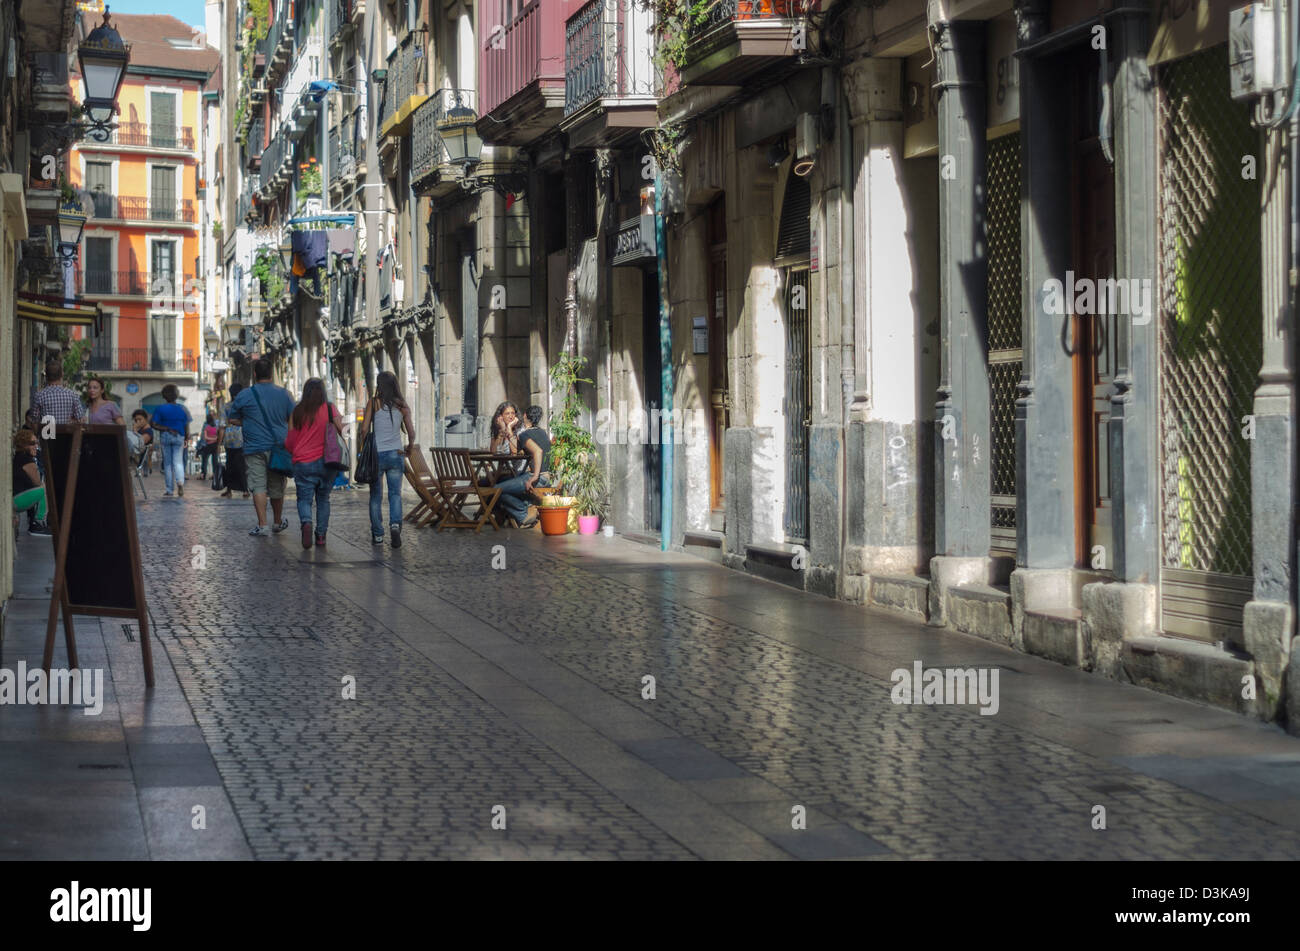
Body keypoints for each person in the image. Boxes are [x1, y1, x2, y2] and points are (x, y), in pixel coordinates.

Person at [226, 358, 295, 536]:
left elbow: (232, 418)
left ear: (255, 374)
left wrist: (248, 421)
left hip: (254, 447)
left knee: (258, 486)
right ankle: (278, 522)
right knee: (277, 486)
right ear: (271, 374)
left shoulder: (244, 395)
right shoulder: (285, 394)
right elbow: (292, 420)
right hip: (278, 447)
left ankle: (263, 524)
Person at [284, 378, 345, 549]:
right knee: (323, 499)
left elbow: (289, 442)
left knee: (304, 499)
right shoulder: (330, 409)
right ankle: (321, 536)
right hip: (328, 462)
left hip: (303, 462)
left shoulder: (297, 411)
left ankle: (306, 523)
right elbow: (343, 431)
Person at [359, 370, 415, 547]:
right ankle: (395, 525)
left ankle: (377, 535)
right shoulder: (402, 405)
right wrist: (409, 448)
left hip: (377, 455)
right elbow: (411, 433)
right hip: (396, 454)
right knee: (395, 494)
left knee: (375, 496)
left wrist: (363, 445)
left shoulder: (374, 403)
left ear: (379, 385)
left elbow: (364, 429)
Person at [496, 405, 552, 529]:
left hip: (538, 478)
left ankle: (523, 514)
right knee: (502, 483)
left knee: (496, 490)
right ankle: (526, 506)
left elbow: (537, 452)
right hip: (547, 477)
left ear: (525, 415)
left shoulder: (525, 434)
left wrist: (535, 477)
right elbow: (517, 450)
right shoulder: (542, 432)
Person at [150, 384, 189, 497]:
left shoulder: (160, 408)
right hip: (179, 436)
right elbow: (186, 425)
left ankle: (169, 490)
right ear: (176, 395)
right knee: (178, 461)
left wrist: (165, 428)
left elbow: (153, 424)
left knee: (167, 463)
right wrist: (186, 437)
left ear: (164, 396)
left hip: (166, 435)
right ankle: (180, 483)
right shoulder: (182, 409)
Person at [12, 429, 51, 536]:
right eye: (32, 443)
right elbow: (37, 482)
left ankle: (37, 522)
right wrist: (35, 464)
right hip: (17, 500)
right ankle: (37, 524)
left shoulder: (20, 456)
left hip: (16, 498)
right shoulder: (26, 459)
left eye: (37, 443)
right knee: (44, 488)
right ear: (24, 445)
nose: (36, 446)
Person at [31, 359, 85, 427]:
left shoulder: (39, 396)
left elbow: (34, 422)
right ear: (62, 374)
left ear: (46, 375)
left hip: (47, 436)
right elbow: (80, 420)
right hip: (67, 436)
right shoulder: (72, 395)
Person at [220, 383, 250, 499]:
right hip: (242, 439)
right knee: (242, 465)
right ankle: (245, 490)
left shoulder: (226, 407)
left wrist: (219, 443)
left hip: (229, 439)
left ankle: (229, 490)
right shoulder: (244, 406)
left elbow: (222, 426)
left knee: (230, 465)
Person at [198, 411, 220, 481]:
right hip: (215, 445)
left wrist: (200, 446)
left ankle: (203, 475)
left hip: (207, 445)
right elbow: (219, 434)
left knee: (204, 460)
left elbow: (203, 437)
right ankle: (214, 475)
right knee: (215, 460)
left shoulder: (206, 425)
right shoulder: (217, 424)